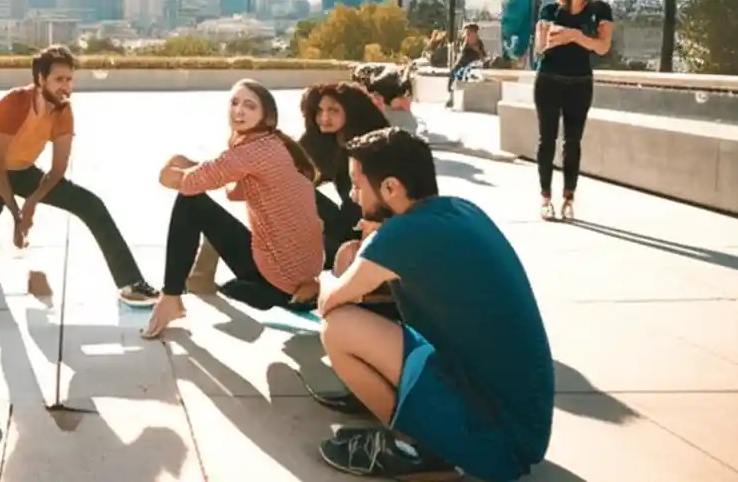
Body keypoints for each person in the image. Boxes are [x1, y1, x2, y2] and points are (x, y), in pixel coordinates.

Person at [314, 128, 553, 481]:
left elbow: (330, 301)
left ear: (391, 188)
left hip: (496, 441)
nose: (352, 195)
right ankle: (421, 431)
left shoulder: (403, 234)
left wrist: (322, 278)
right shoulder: (458, 211)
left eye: (357, 185)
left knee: (339, 327)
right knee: (359, 294)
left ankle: (420, 451)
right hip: (519, 426)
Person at [0, 45, 161, 306]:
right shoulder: (14, 103)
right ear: (40, 79)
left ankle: (131, 284)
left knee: (91, 204)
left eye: (69, 79)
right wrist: (16, 215)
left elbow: (58, 169)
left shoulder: (63, 111)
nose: (66, 86)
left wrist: (32, 204)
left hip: (26, 173)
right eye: (59, 79)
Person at [143, 79, 325, 338]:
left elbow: (185, 183)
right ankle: (196, 281)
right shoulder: (274, 145)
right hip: (301, 276)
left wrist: (175, 163)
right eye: (235, 102)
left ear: (267, 115)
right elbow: (234, 189)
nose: (239, 111)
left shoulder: (252, 151)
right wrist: (201, 167)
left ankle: (171, 296)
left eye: (250, 106)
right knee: (202, 207)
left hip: (279, 281)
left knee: (191, 203)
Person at [533, 0, 613, 221]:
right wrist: (569, 37)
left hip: (580, 83)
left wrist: (573, 36)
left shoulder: (600, 10)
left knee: (573, 143)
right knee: (547, 141)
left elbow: (602, 47)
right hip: (548, 80)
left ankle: (569, 198)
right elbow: (541, 45)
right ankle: (545, 198)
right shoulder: (550, 10)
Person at [299, 83, 390, 269]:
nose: (324, 118)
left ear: (352, 110)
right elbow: (305, 175)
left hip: (372, 233)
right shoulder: (331, 142)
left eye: (333, 110)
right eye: (319, 110)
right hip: (347, 223)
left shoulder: (373, 145)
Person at [446, 23, 487, 107]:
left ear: (475, 34)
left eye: (469, 34)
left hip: (475, 65)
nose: (468, 37)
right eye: (467, 34)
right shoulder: (465, 45)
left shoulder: (479, 43)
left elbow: (483, 57)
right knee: (453, 72)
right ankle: (450, 97)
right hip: (464, 65)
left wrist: (478, 51)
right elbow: (461, 60)